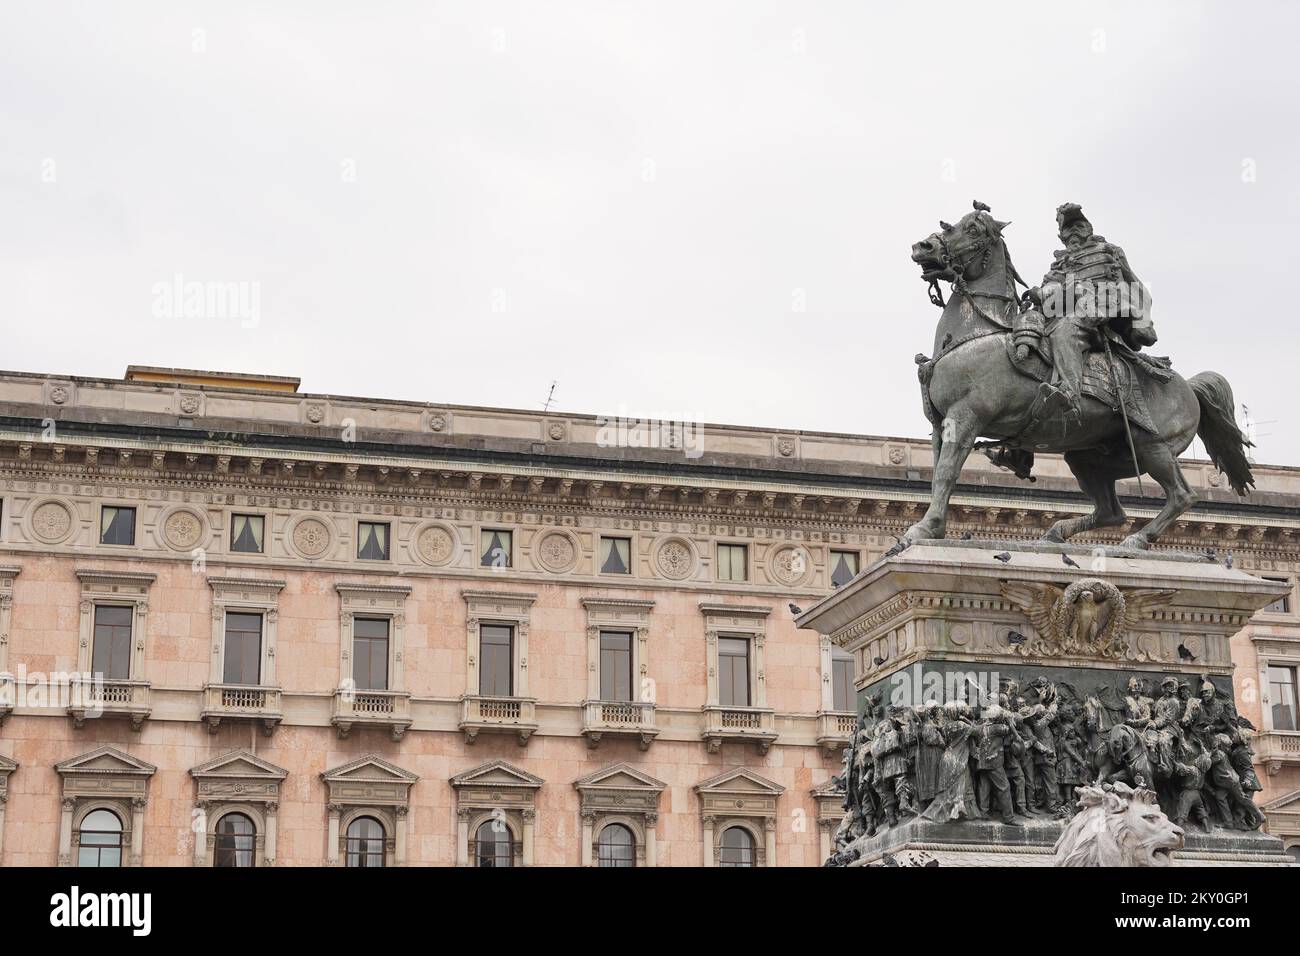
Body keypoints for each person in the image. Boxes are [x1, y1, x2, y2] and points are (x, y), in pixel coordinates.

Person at [921, 701, 981, 823]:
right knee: (963, 786)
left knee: (948, 789)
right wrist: (967, 719)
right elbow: (978, 732)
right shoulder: (961, 725)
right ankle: (961, 812)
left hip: (947, 758)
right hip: (958, 759)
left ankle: (945, 812)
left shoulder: (946, 726)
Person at [971, 705, 1018, 825]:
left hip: (982, 762)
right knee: (1004, 787)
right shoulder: (999, 728)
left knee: (984, 787)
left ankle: (983, 812)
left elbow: (974, 730)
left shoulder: (981, 727)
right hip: (994, 762)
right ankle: (1008, 817)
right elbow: (1012, 728)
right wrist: (1008, 717)